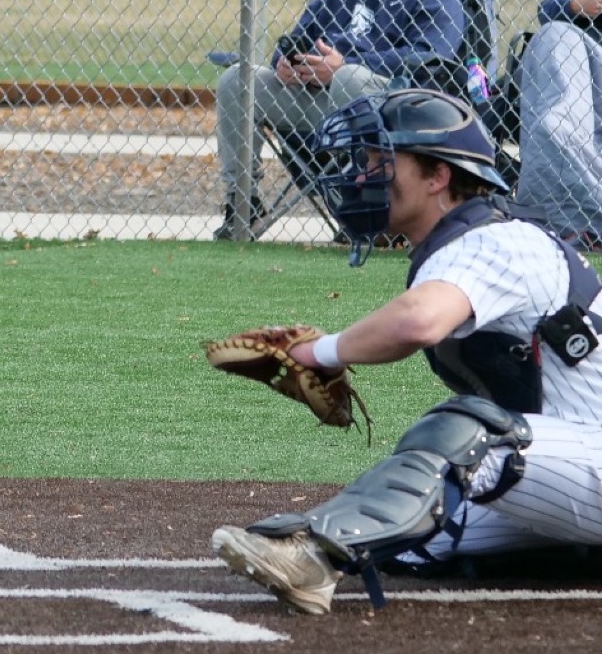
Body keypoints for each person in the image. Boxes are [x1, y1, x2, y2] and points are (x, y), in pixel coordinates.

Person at [210, 88, 602, 615]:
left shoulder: (500, 242)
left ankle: (311, 556)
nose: (362, 175)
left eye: (380, 161)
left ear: (438, 176)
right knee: (420, 532)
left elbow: (419, 321)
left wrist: (323, 352)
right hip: (579, 458)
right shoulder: (467, 245)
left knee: (473, 435)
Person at [213, 0, 465, 239]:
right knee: (237, 80)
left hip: (391, 106)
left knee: (349, 78)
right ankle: (243, 204)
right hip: (321, 100)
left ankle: (363, 205)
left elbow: (434, 56)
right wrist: (286, 64)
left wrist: (347, 64)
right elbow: (298, 36)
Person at [514, 0, 602, 244]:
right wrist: (576, 4)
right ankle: (559, 131)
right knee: (553, 34)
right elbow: (547, 8)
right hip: (586, 81)